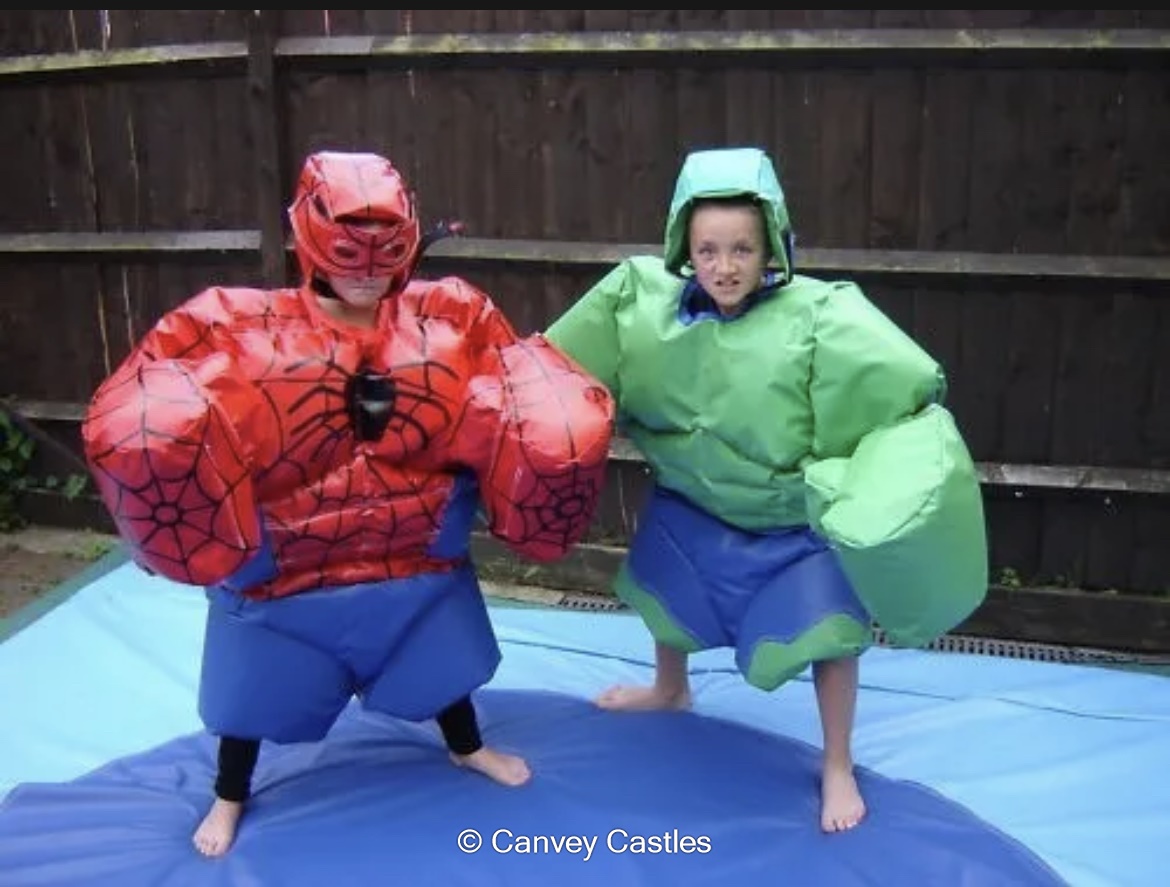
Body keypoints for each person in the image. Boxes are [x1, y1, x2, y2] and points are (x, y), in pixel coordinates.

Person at [81, 150, 614, 857]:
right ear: (308, 238)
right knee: (248, 703)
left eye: (385, 250)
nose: (366, 268)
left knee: (444, 670)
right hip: (283, 572)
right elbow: (139, 409)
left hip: (415, 560)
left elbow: (522, 389)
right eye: (347, 249)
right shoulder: (230, 329)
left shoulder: (453, 318)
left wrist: (553, 429)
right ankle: (228, 793)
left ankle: (466, 747)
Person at [545, 147, 987, 833]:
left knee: (832, 637)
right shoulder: (641, 306)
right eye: (709, 250)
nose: (725, 266)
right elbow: (561, 367)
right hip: (695, 504)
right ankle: (671, 687)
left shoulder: (820, 318)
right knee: (667, 598)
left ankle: (836, 761)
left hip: (789, 527)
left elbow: (903, 393)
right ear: (683, 249)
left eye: (743, 249)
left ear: (773, 246)